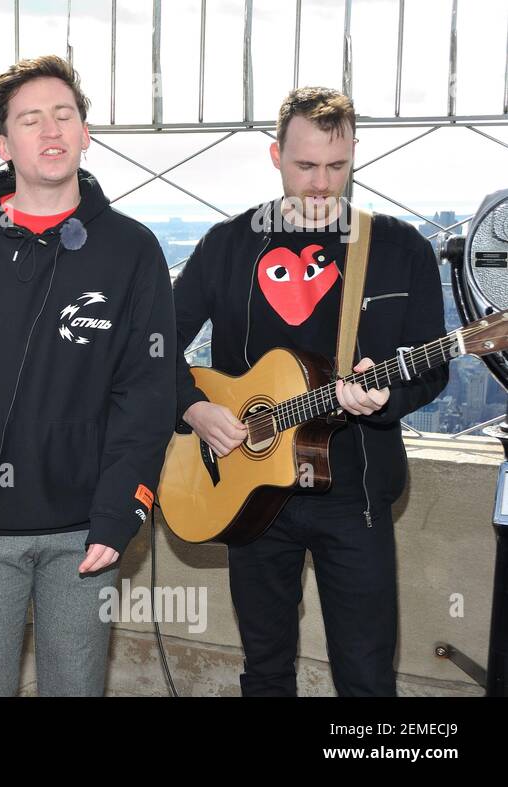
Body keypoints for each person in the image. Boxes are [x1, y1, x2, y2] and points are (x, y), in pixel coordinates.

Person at [0, 55, 177, 696]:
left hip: (87, 525)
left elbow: (147, 392)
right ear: (4, 145)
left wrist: (122, 509)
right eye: (30, 120)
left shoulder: (132, 250)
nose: (50, 131)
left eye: (65, 115)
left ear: (85, 132)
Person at [172, 86, 449, 696]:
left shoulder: (400, 250)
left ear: (354, 156)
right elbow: (150, 349)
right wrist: (192, 407)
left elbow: (431, 370)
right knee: (265, 670)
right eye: (305, 166)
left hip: (358, 498)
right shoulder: (227, 245)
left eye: (337, 166)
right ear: (276, 156)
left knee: (367, 675)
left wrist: (386, 400)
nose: (323, 183)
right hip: (249, 492)